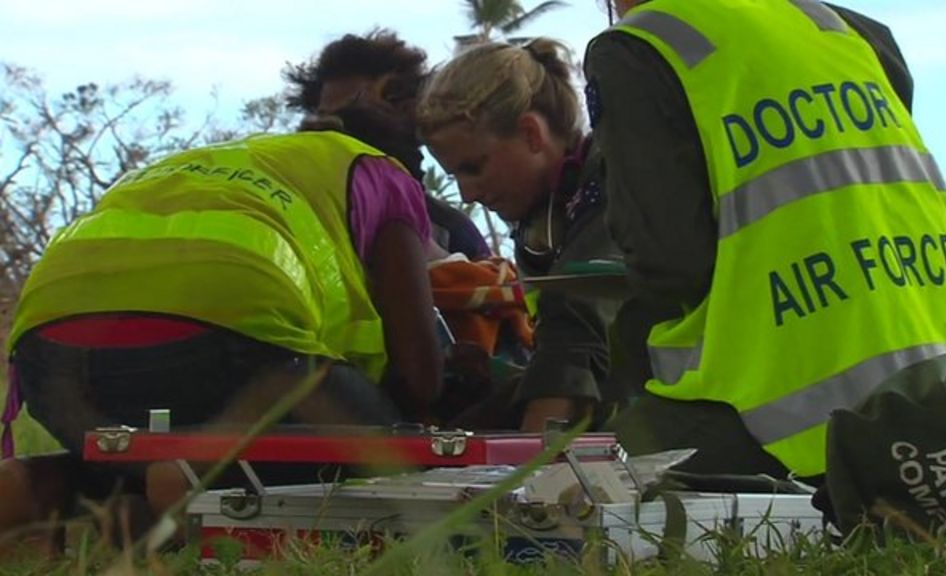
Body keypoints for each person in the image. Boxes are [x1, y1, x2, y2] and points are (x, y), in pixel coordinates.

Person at [0, 102, 443, 550]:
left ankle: (41, 485)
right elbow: (421, 375)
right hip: (217, 338)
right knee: (388, 447)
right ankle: (201, 483)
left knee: (128, 447)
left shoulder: (201, 164)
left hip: (49, 347)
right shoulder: (382, 172)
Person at [584, 0, 946, 480]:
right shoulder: (846, 28)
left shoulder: (638, 45)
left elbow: (668, 262)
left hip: (800, 433)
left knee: (582, 485)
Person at [417, 39, 648, 432]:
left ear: (530, 133)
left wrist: (524, 480)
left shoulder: (614, 188)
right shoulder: (550, 213)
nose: (467, 193)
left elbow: (575, 334)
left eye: (473, 167)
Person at [284, 29, 492, 261]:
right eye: (324, 121)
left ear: (407, 112)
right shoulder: (288, 206)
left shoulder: (449, 229)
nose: (334, 134)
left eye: (355, 117)